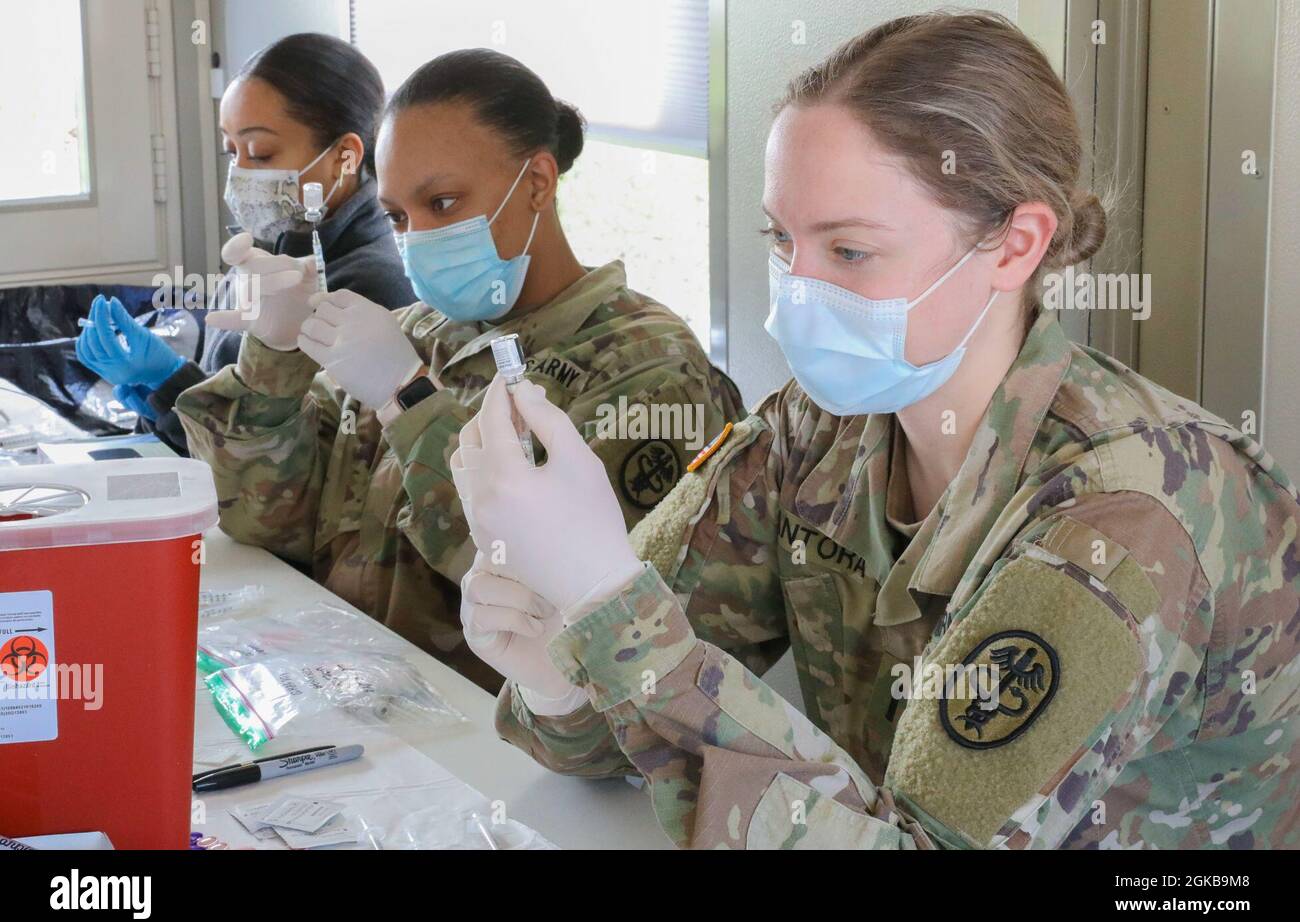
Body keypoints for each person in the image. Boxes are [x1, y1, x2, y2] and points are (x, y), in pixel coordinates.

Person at [452, 11, 1300, 848]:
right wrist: (556, 674)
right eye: (783, 240)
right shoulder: (815, 429)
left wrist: (606, 597)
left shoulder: (1125, 514)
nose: (795, 292)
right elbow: (627, 736)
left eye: (849, 252)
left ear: (1014, 246)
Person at [176, 49, 743, 692]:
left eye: (442, 203)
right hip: (363, 703)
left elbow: (568, 612)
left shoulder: (649, 371)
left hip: (514, 746)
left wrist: (410, 400)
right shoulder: (419, 330)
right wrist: (274, 360)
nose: (416, 236)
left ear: (537, 183)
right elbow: (265, 521)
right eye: (397, 216)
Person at [75, 33, 413, 455]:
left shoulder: (370, 284)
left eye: (261, 153)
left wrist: (172, 384)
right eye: (231, 151)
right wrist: (160, 400)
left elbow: (292, 463)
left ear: (343, 156)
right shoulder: (268, 250)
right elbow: (237, 405)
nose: (240, 173)